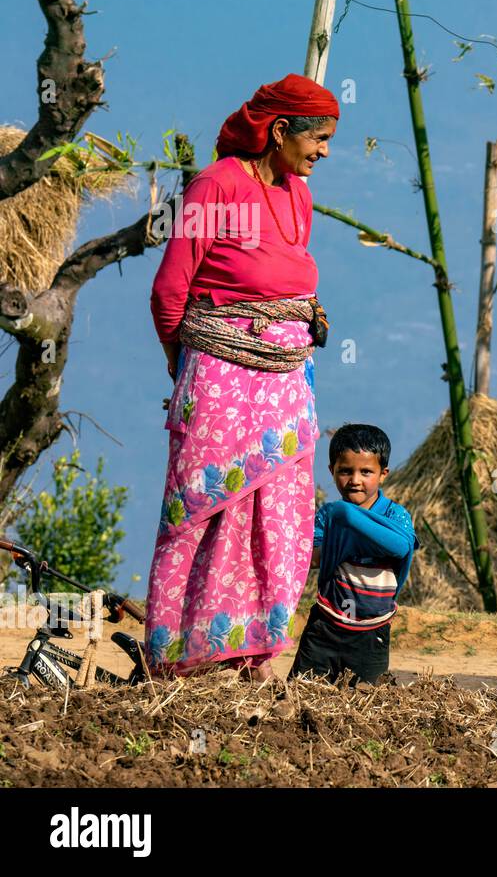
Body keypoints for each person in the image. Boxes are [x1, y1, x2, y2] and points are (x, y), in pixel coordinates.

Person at [145, 73, 339, 680]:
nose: (325, 151)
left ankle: (253, 651)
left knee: (276, 515)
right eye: (320, 138)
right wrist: (189, 365)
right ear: (280, 131)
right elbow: (171, 289)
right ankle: (181, 655)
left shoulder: (297, 193)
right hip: (219, 377)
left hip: (285, 377)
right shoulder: (214, 185)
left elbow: (289, 276)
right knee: (202, 509)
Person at [290, 424, 419, 686]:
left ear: (383, 474)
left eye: (366, 472)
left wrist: (347, 520)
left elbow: (401, 548)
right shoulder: (328, 515)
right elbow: (312, 559)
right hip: (325, 625)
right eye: (345, 471)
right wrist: (347, 535)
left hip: (373, 632)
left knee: (364, 703)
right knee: (301, 693)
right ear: (332, 471)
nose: (355, 480)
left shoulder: (395, 515)